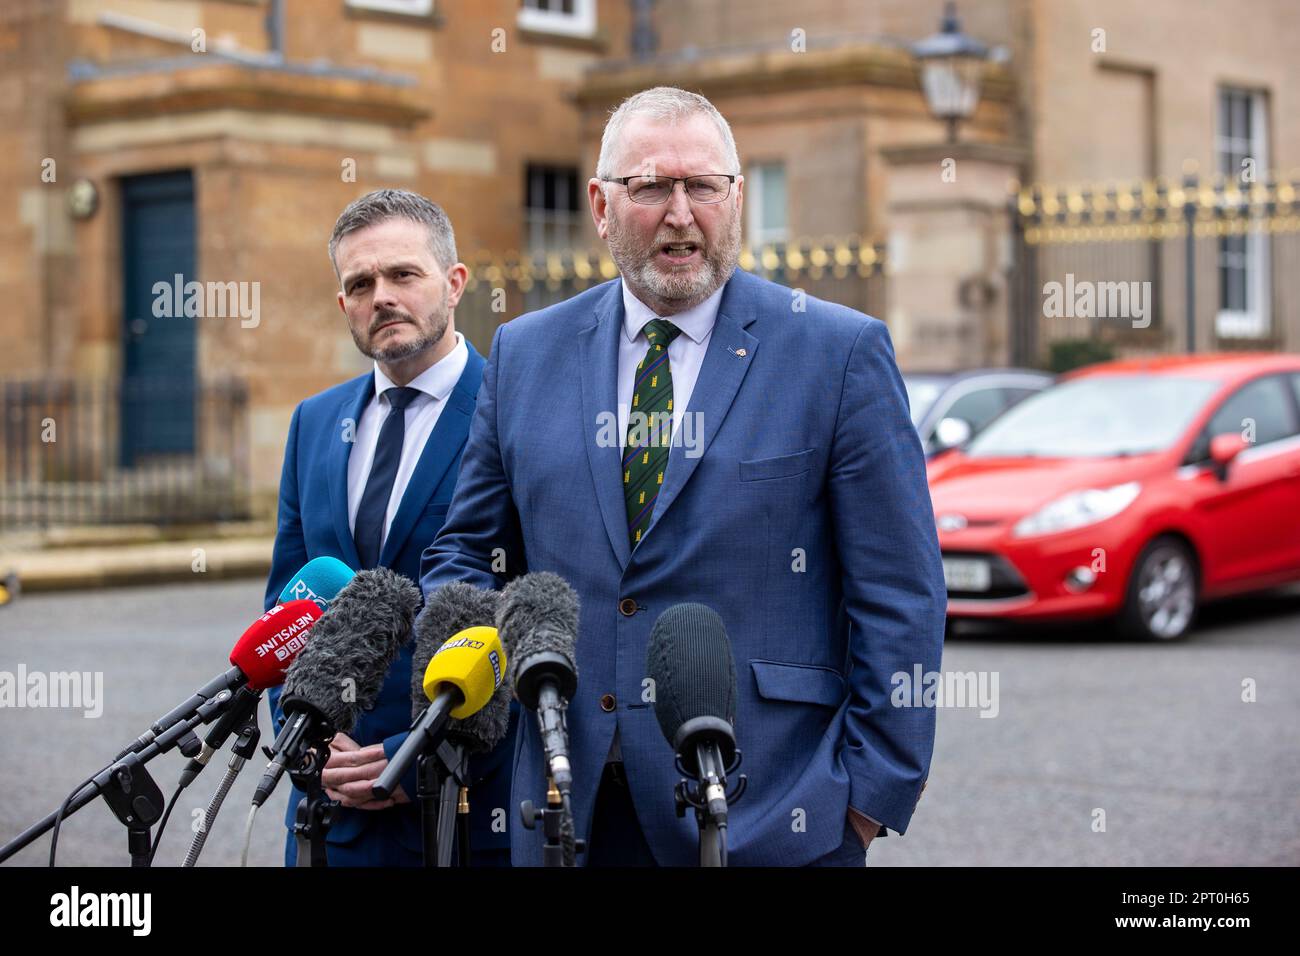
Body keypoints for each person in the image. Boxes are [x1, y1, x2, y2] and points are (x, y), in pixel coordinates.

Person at [421, 87, 944, 866]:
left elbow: (901, 591)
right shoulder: (527, 353)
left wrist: (865, 799)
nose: (680, 212)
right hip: (569, 808)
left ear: (734, 200)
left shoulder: (836, 353)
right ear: (600, 205)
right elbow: (465, 554)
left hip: (773, 809)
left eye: (704, 186)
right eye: (651, 187)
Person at [263, 189, 513, 866]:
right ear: (343, 304)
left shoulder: (513, 411)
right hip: (331, 818)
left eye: (404, 275)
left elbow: (538, 614)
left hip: (463, 814)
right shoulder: (314, 423)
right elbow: (287, 609)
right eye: (360, 283)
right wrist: (308, 743)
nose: (382, 297)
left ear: (454, 283)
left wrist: (429, 748)